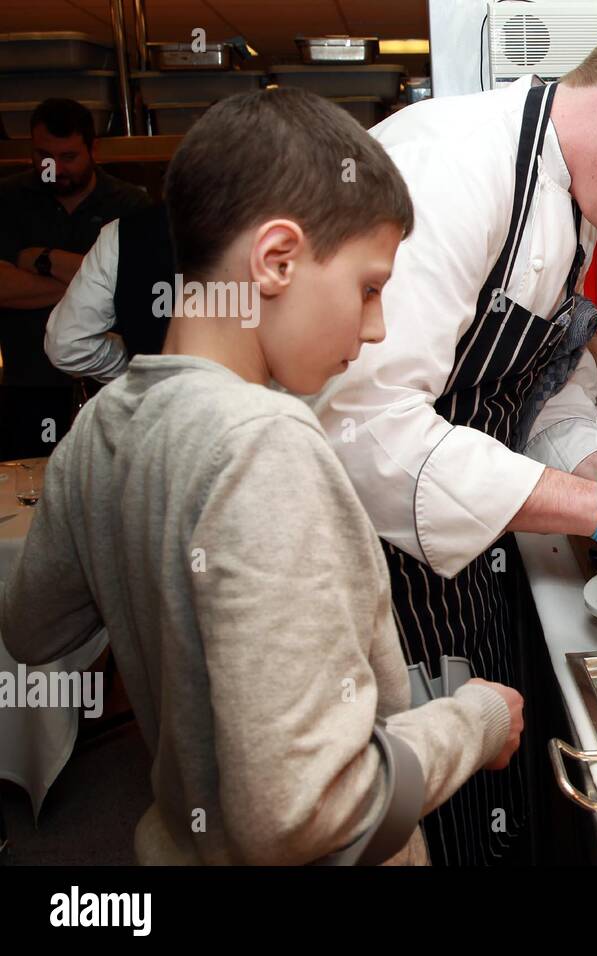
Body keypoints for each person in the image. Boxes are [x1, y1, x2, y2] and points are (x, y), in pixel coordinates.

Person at [0, 88, 523, 865]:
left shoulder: (104, 423)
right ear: (276, 260)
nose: (376, 325)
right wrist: (473, 722)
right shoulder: (265, 444)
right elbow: (303, 813)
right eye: (370, 286)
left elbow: (35, 630)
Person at [311, 6, 597, 864]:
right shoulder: (452, 169)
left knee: (482, 794)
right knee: (408, 819)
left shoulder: (570, 202)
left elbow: (546, 393)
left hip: (458, 560)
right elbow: (369, 430)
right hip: (371, 569)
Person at [0, 98, 148, 458]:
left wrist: (42, 259)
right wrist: (93, 283)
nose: (54, 168)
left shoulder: (130, 204)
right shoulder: (6, 199)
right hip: (28, 384)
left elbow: (135, 287)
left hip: (112, 389)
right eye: (43, 155)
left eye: (68, 157)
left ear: (93, 149)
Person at [45, 201, 175, 382]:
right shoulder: (126, 231)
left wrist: (139, 363)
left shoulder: (126, 232)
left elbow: (68, 345)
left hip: (163, 399)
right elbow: (67, 344)